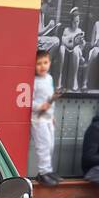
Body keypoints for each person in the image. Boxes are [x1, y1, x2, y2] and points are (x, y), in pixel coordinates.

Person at [30, 49, 60, 186]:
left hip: (48, 118)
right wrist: (39, 106)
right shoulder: (33, 82)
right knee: (43, 145)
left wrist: (52, 115)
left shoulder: (49, 78)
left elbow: (49, 97)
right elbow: (28, 101)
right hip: (38, 119)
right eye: (39, 63)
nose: (43, 66)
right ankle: (43, 172)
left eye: (45, 62)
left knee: (51, 145)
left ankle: (48, 171)